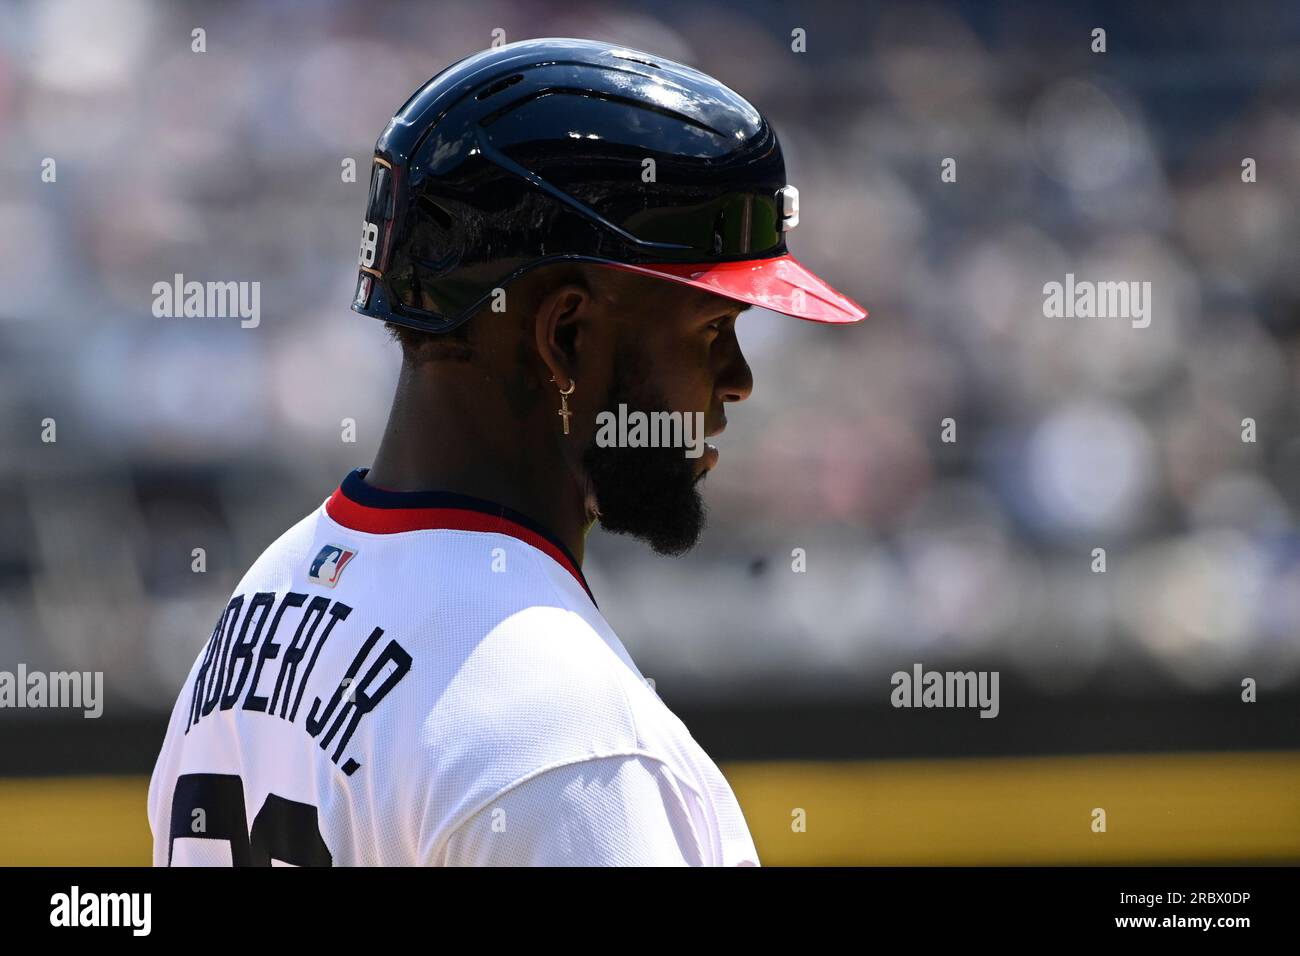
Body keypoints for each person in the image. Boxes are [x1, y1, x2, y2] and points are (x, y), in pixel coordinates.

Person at [148, 37, 865, 867]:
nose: (736, 381)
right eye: (712, 329)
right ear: (564, 335)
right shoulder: (571, 744)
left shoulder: (254, 612)